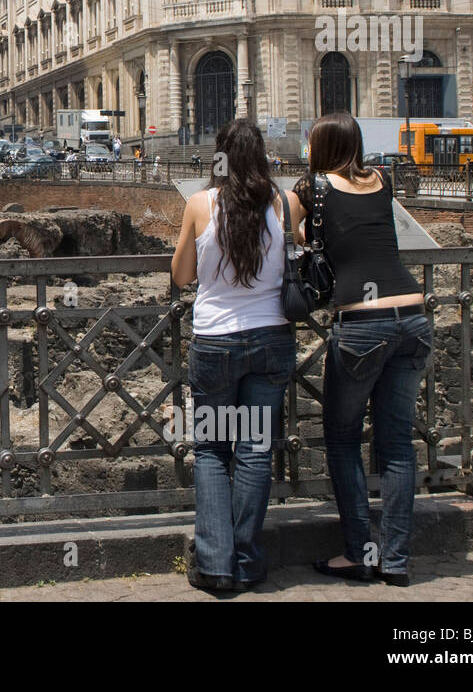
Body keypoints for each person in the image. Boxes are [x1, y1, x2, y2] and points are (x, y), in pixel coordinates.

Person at [171, 119, 305, 593]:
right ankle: (247, 561)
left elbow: (183, 276)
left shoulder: (199, 205)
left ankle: (215, 564)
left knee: (211, 450)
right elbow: (299, 254)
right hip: (271, 338)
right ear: (263, 157)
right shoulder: (286, 205)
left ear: (219, 156)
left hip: (216, 342)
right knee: (253, 452)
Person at [298, 112, 430, 588]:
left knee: (343, 438)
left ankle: (359, 553)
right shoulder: (382, 179)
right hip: (414, 316)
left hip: (362, 323)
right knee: (396, 444)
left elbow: (290, 235)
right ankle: (395, 561)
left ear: (323, 145)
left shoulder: (311, 187)